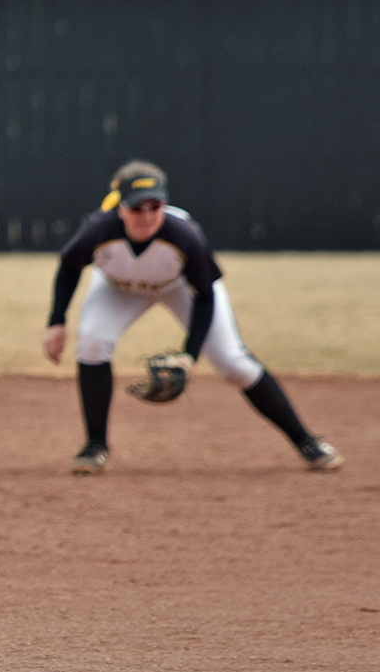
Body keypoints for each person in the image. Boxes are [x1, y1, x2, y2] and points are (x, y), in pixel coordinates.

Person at [42, 160, 344, 475]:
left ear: (164, 203)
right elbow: (69, 266)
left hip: (181, 288)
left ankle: (306, 441)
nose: (146, 215)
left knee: (233, 362)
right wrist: (56, 322)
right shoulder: (99, 229)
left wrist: (189, 355)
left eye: (154, 206)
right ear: (120, 208)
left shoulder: (185, 236)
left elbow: (205, 295)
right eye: (136, 208)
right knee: (91, 342)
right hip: (118, 288)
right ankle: (95, 447)